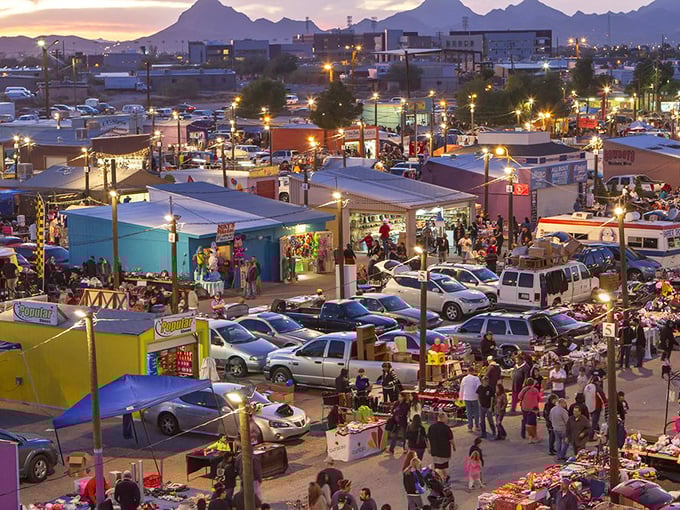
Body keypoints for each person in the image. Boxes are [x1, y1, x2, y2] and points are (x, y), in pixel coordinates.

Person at [427, 412, 455, 480]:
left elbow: (428, 438)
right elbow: (451, 439)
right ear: (444, 419)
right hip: (444, 451)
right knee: (443, 465)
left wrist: (429, 448)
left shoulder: (431, 427)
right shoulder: (446, 428)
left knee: (438, 465)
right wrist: (454, 446)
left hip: (435, 450)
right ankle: (441, 479)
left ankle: (445, 477)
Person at [519, 378, 540, 442]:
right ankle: (533, 435)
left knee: (525, 420)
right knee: (533, 423)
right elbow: (539, 398)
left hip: (525, 407)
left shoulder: (524, 390)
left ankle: (523, 433)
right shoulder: (535, 390)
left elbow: (519, 396)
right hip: (533, 408)